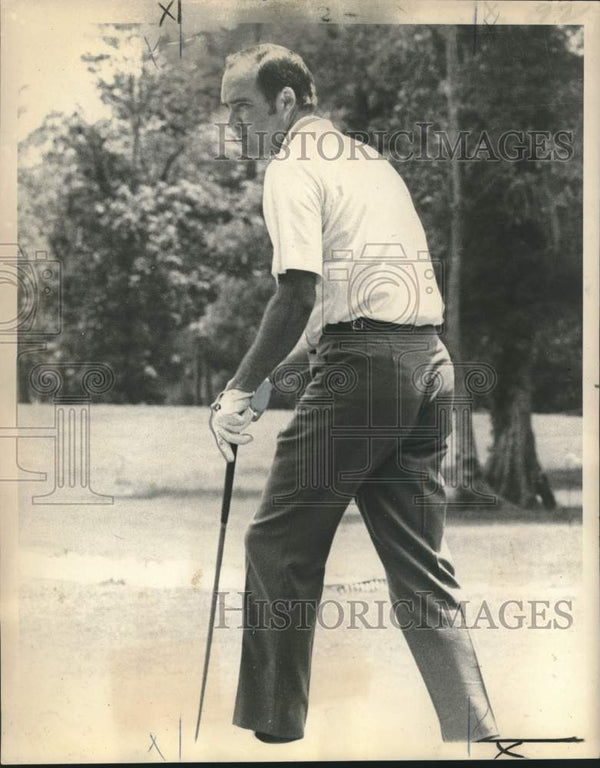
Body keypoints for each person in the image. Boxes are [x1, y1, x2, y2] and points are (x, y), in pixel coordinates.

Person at [209, 43, 499, 745]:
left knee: (278, 544)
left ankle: (275, 732)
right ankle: (479, 732)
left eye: (242, 109)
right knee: (421, 569)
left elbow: (297, 292)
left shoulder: (292, 165)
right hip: (429, 367)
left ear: (284, 103)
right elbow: (353, 305)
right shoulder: (369, 161)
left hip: (367, 372)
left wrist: (236, 390)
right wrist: (271, 387)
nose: (234, 127)